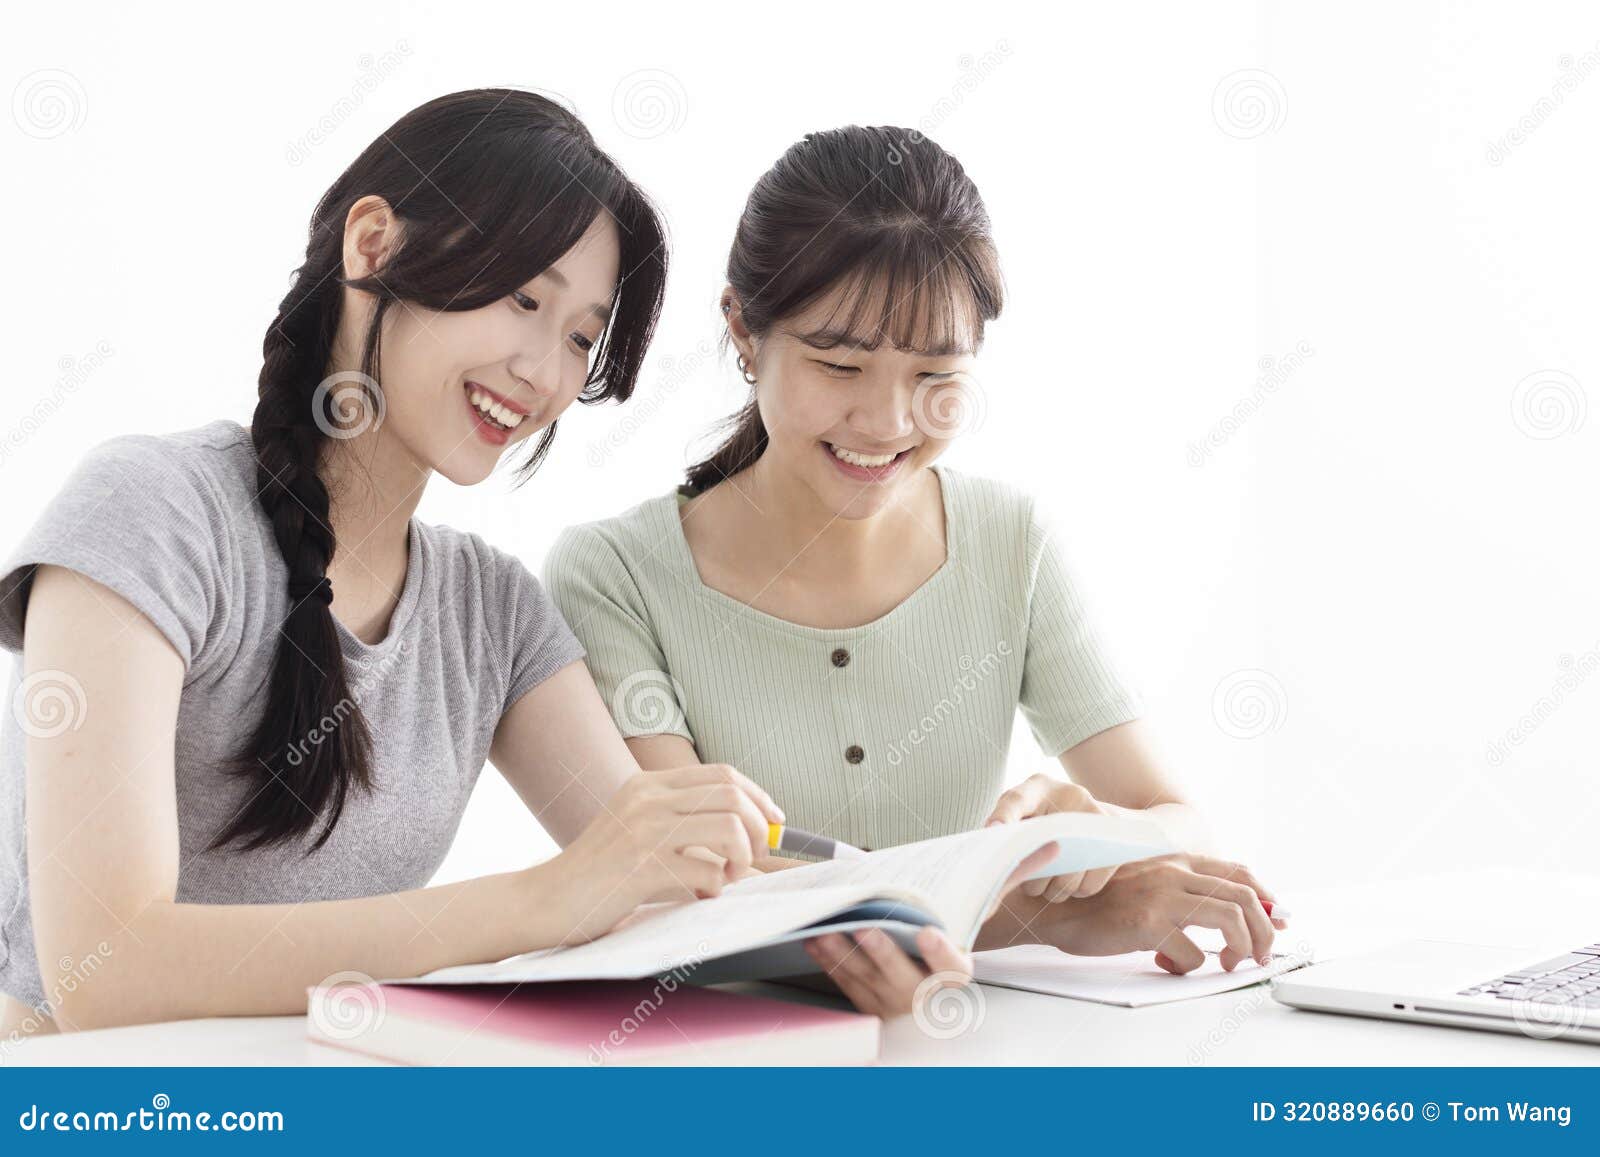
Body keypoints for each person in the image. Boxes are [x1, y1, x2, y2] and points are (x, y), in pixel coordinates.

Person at [0, 89, 794, 1038]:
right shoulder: (153, 510)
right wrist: (542, 900)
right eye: (523, 298)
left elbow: (659, 872)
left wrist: (925, 898)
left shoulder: (493, 613)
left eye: (581, 337)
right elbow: (104, 967)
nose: (544, 373)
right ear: (373, 245)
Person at [545, 126, 1284, 1018]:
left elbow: (1177, 818)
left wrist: (1092, 833)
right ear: (742, 328)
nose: (888, 421)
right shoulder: (615, 576)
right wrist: (1041, 912)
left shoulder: (1010, 543)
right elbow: (694, 885)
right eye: (840, 364)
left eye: (935, 372)